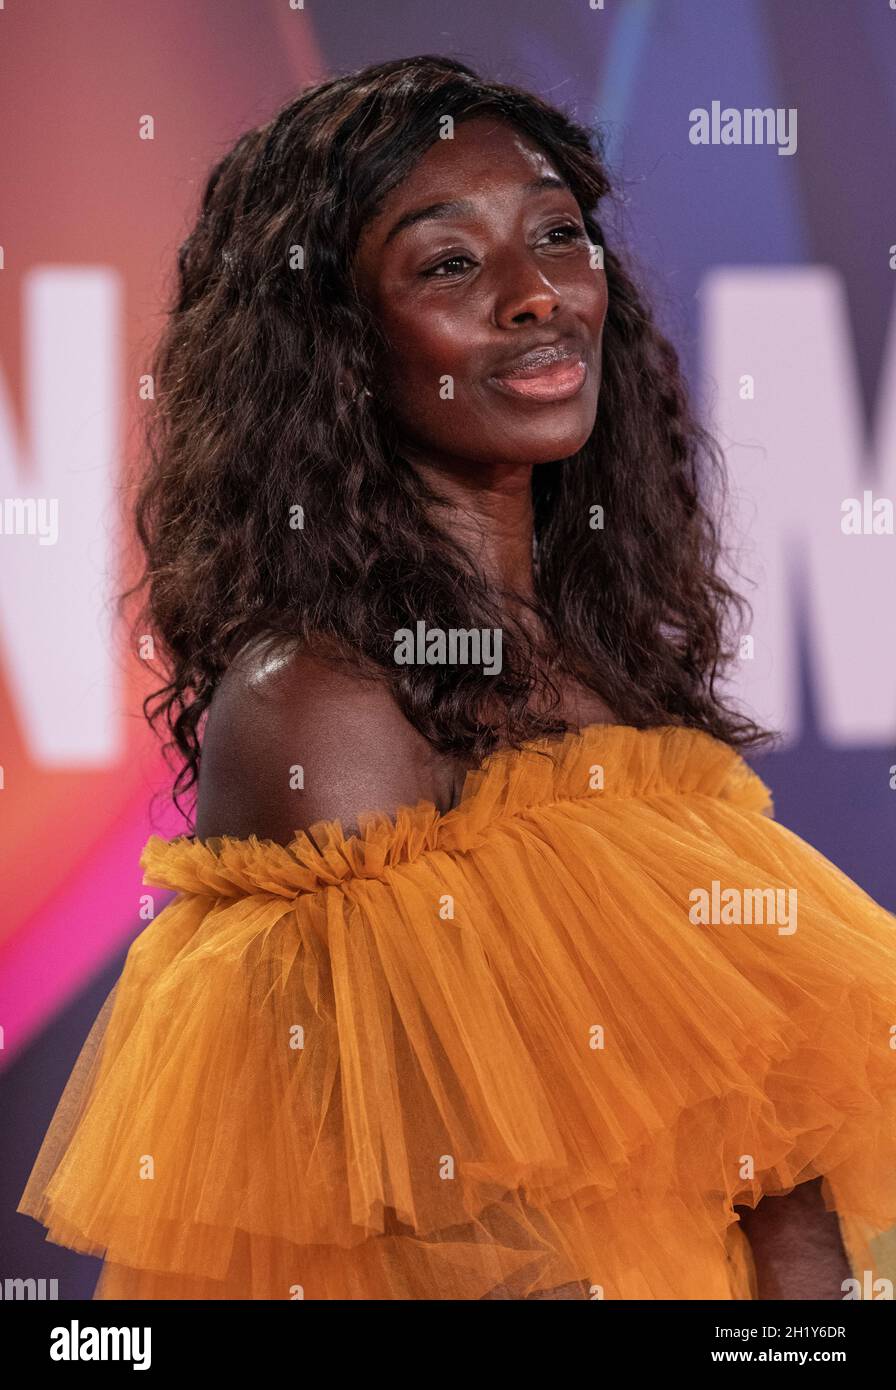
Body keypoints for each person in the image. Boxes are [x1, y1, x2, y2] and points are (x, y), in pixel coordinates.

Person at [18, 55, 896, 1301]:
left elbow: (781, 1180)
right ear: (333, 342)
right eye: (446, 264)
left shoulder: (613, 662)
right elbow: (455, 1249)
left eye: (556, 235)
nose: (535, 296)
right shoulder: (320, 705)